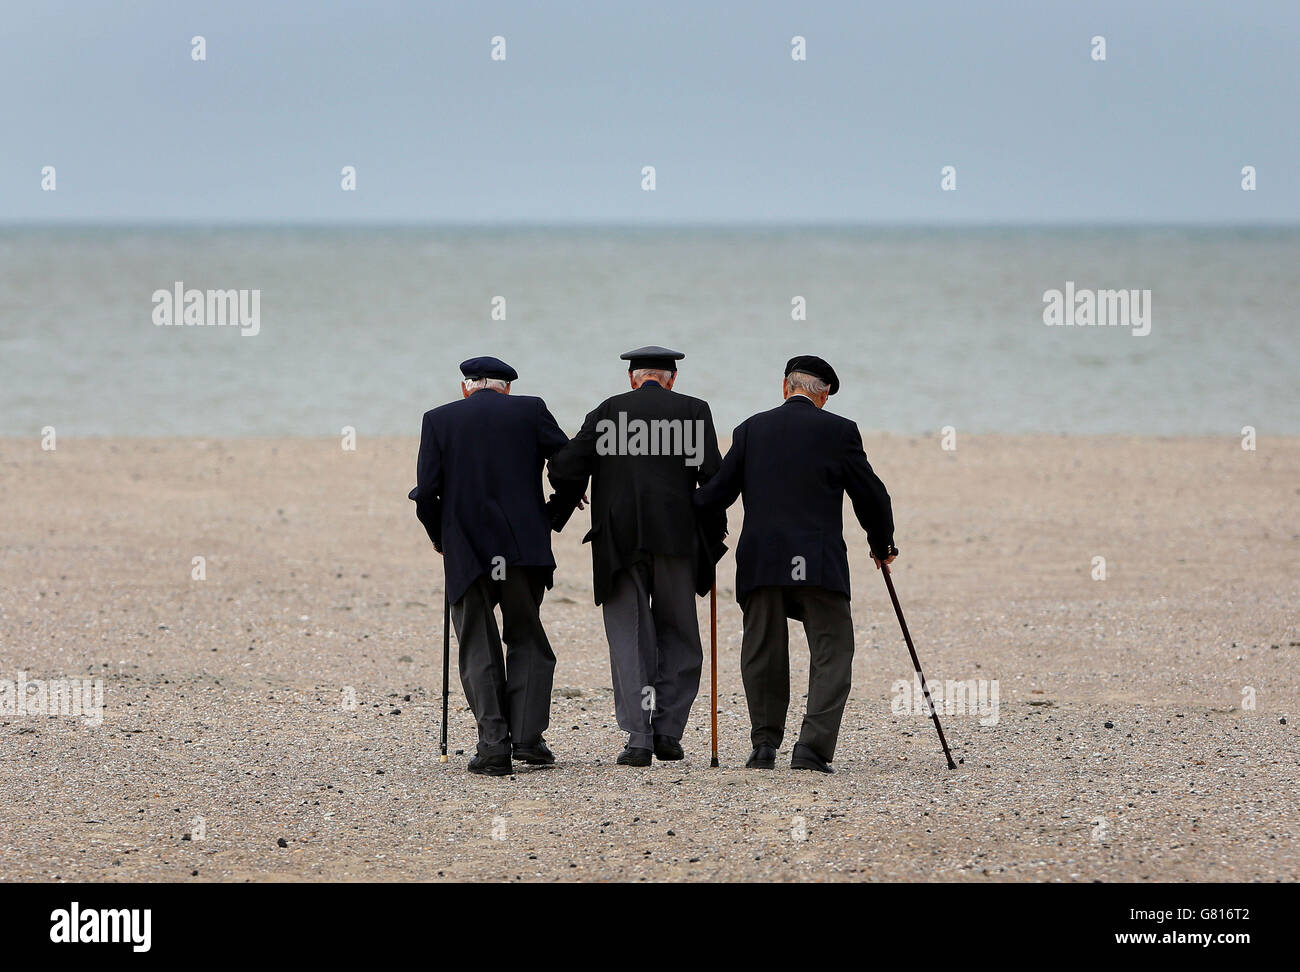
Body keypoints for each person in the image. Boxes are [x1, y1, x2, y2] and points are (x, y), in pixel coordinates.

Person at [694, 355, 897, 774]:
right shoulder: (840, 431)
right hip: (819, 564)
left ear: (785, 388)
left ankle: (764, 746)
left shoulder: (751, 429)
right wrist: (881, 544)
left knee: (763, 651)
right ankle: (811, 749)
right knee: (833, 651)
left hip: (763, 561)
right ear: (822, 397)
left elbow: (717, 494)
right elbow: (871, 495)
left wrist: (690, 514)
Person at [548, 346, 726, 766]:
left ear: (633, 378)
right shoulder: (694, 411)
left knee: (629, 636)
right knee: (680, 633)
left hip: (619, 542)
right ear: (672, 378)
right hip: (677, 539)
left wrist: (568, 496)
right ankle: (668, 731)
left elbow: (564, 467)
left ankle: (639, 738)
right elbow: (714, 478)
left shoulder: (609, 411)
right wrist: (710, 526)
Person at [408, 356, 569, 776]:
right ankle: (529, 740)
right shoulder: (531, 410)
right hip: (523, 549)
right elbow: (570, 466)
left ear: (466, 387)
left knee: (477, 643)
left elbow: (426, 493)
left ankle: (494, 746)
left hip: (468, 552)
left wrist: (439, 537)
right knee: (528, 638)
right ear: (507, 388)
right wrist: (555, 512)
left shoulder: (438, 419)